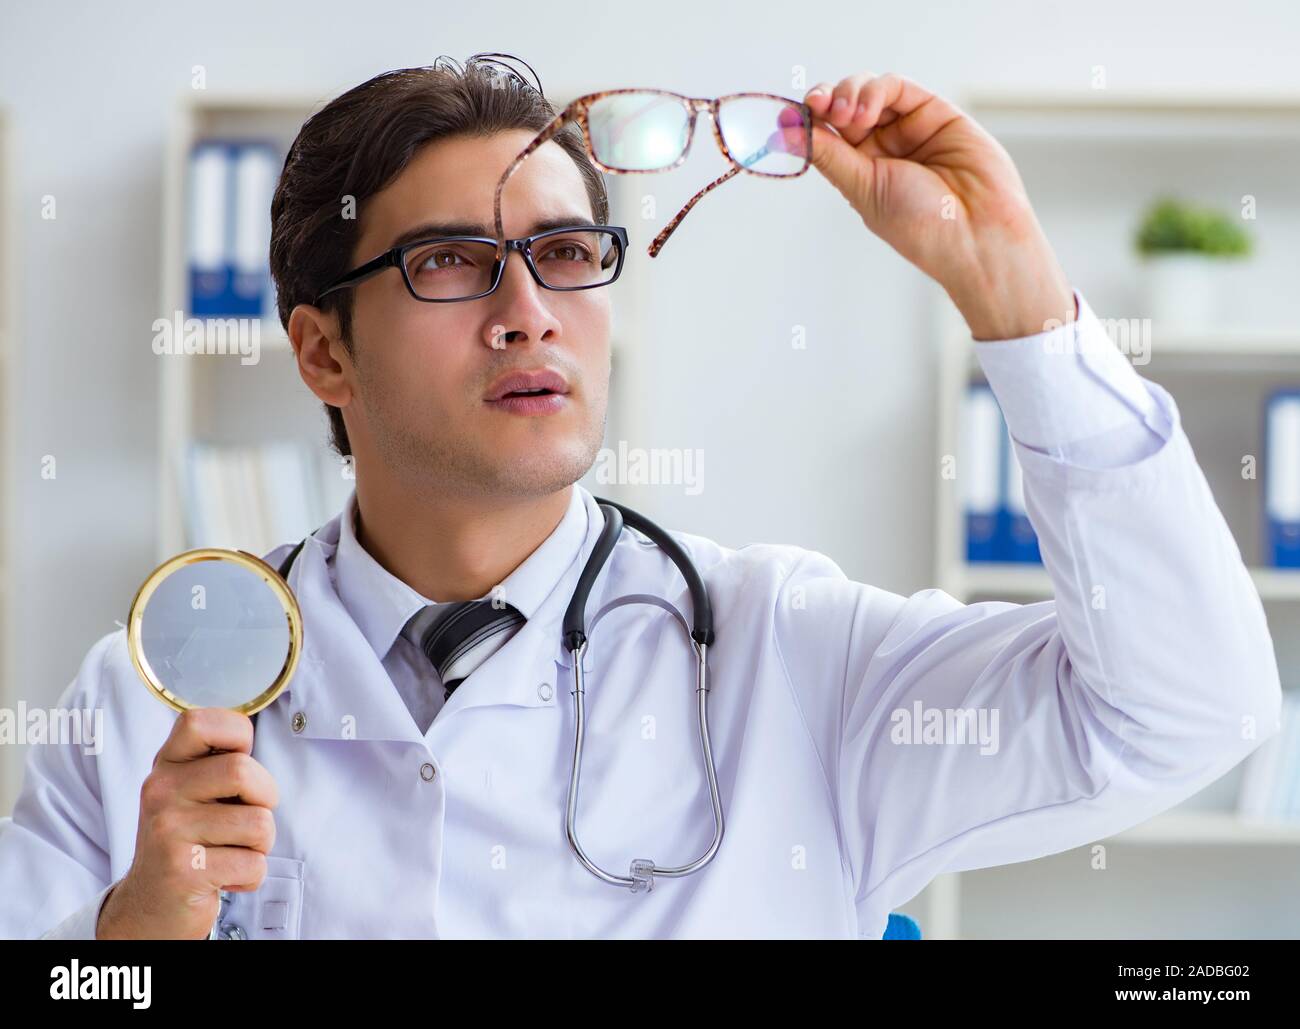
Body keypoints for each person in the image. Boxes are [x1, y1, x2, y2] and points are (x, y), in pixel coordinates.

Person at [0, 56, 1281, 939]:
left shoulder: (796, 658)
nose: (526, 314)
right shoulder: (146, 697)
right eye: (451, 262)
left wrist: (1015, 303)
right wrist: (130, 940)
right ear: (323, 350)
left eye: (564, 255)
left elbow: (1188, 709)